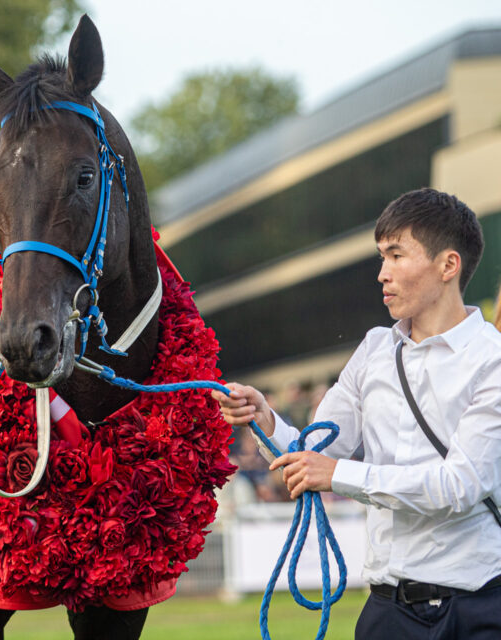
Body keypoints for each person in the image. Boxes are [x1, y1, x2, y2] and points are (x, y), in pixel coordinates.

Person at [213, 188, 501, 639]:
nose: (382, 273)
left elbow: (459, 486)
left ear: (448, 265)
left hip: (478, 611)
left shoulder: (493, 360)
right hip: (387, 614)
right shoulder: (374, 350)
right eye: (381, 257)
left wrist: (338, 475)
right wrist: (264, 418)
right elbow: (313, 453)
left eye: (396, 255)